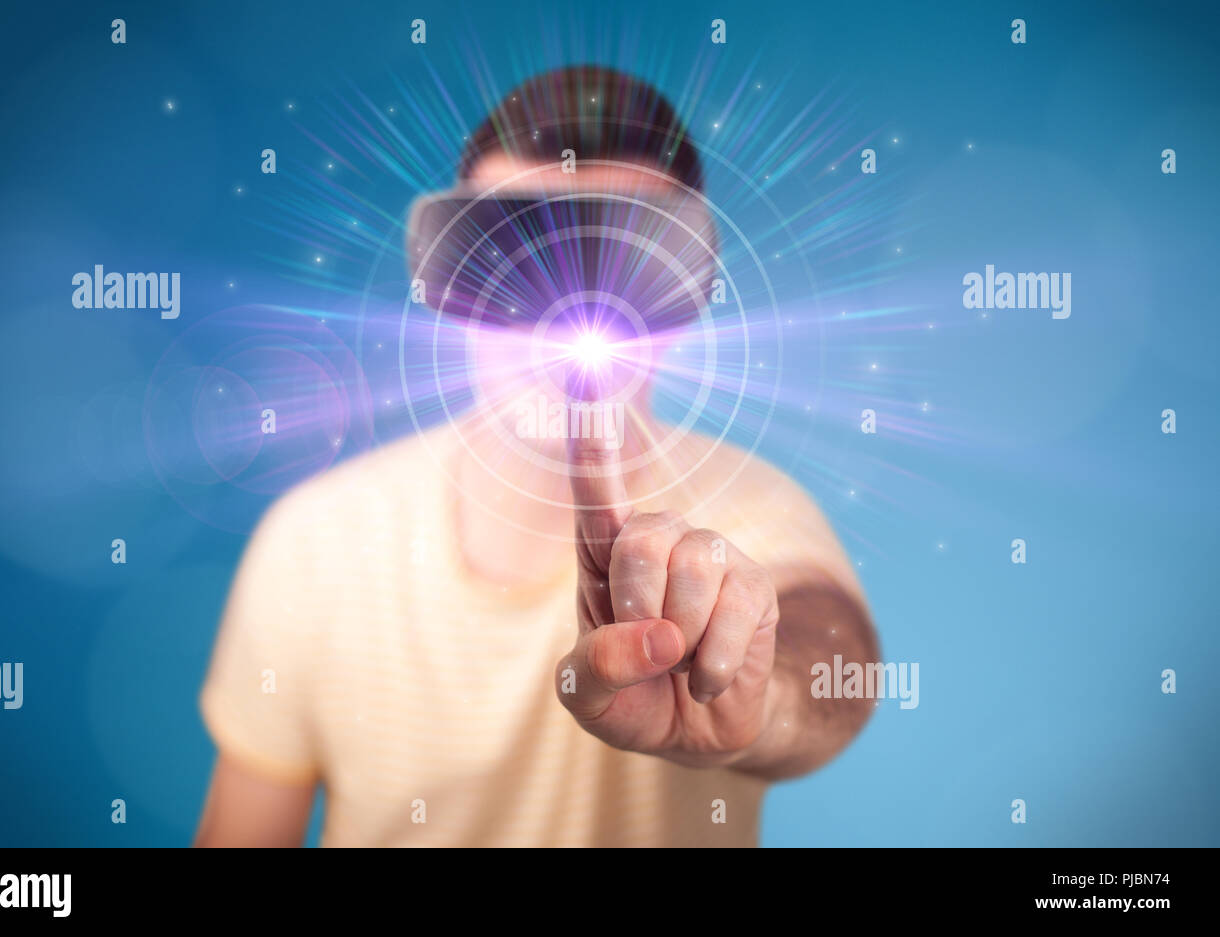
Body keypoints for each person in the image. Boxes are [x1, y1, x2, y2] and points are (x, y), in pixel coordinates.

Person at [194, 65, 879, 847]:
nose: (563, 316)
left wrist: (756, 702)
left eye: (620, 261)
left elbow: (829, 658)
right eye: (510, 257)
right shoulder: (317, 539)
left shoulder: (754, 511)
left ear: (690, 282)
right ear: (446, 274)